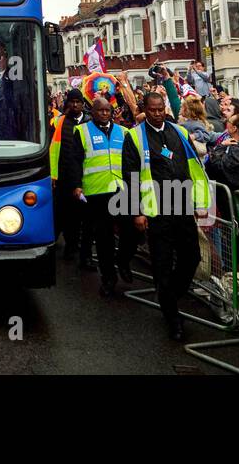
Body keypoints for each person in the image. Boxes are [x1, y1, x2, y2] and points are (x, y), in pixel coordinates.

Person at [122, 90, 212, 339]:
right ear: (145, 109)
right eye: (153, 110)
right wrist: (136, 212)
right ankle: (173, 318)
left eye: (161, 109)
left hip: (182, 205)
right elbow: (130, 177)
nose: (158, 113)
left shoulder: (180, 133)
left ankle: (168, 294)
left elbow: (193, 166)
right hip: (156, 211)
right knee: (161, 264)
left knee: (191, 257)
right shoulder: (135, 137)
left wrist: (199, 201)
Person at [62, 94, 138, 296]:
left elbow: (131, 160)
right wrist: (76, 185)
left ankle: (122, 261)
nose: (105, 114)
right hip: (96, 193)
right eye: (100, 110)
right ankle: (108, 278)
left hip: (120, 190)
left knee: (131, 232)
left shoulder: (123, 132)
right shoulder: (82, 131)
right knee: (104, 240)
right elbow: (75, 160)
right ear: (92, 112)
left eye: (108, 111)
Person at [48, 88, 90, 264]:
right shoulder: (58, 122)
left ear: (82, 103)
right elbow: (53, 149)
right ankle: (60, 244)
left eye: (78, 101)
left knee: (81, 217)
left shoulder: (90, 123)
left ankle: (76, 248)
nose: (75, 104)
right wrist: (53, 176)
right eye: (72, 101)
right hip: (63, 177)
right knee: (63, 213)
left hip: (85, 177)